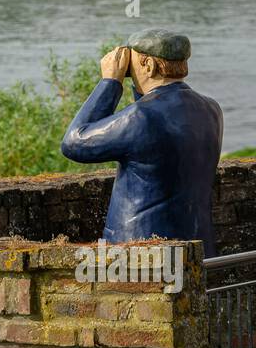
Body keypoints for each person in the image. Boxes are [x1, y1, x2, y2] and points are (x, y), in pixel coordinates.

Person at [60, 28, 223, 257]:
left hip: (139, 255)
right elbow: (155, 120)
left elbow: (74, 142)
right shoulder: (211, 110)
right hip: (198, 248)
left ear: (148, 65)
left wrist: (110, 82)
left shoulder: (140, 118)